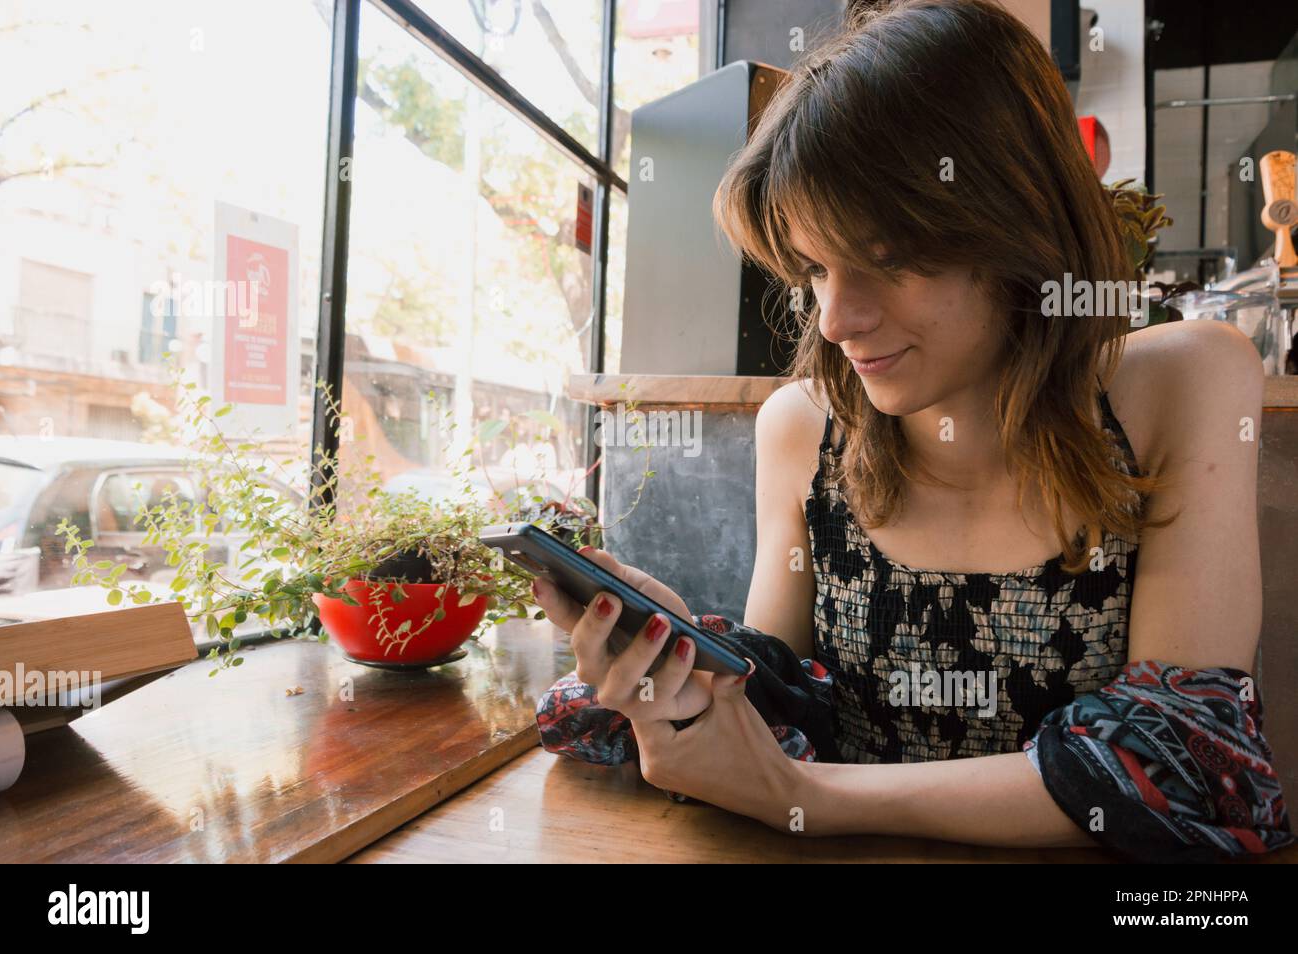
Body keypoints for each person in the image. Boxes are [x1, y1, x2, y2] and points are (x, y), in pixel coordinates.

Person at [531, 0, 1294, 861]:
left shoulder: (1185, 382)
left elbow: (1183, 759)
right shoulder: (805, 429)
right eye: (815, 268)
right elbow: (795, 702)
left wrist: (807, 797)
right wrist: (693, 662)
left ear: (1020, 225)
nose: (835, 321)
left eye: (887, 257)